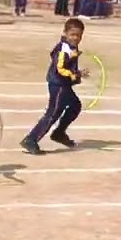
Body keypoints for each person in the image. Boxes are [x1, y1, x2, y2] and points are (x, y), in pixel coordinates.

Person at [21, 18, 90, 155]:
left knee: (75, 106)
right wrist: (76, 74)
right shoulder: (64, 49)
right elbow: (60, 69)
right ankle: (31, 139)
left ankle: (59, 132)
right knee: (53, 113)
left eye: (79, 35)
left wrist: (75, 58)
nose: (76, 38)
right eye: (73, 34)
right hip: (58, 84)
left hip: (64, 84)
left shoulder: (70, 47)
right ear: (65, 33)